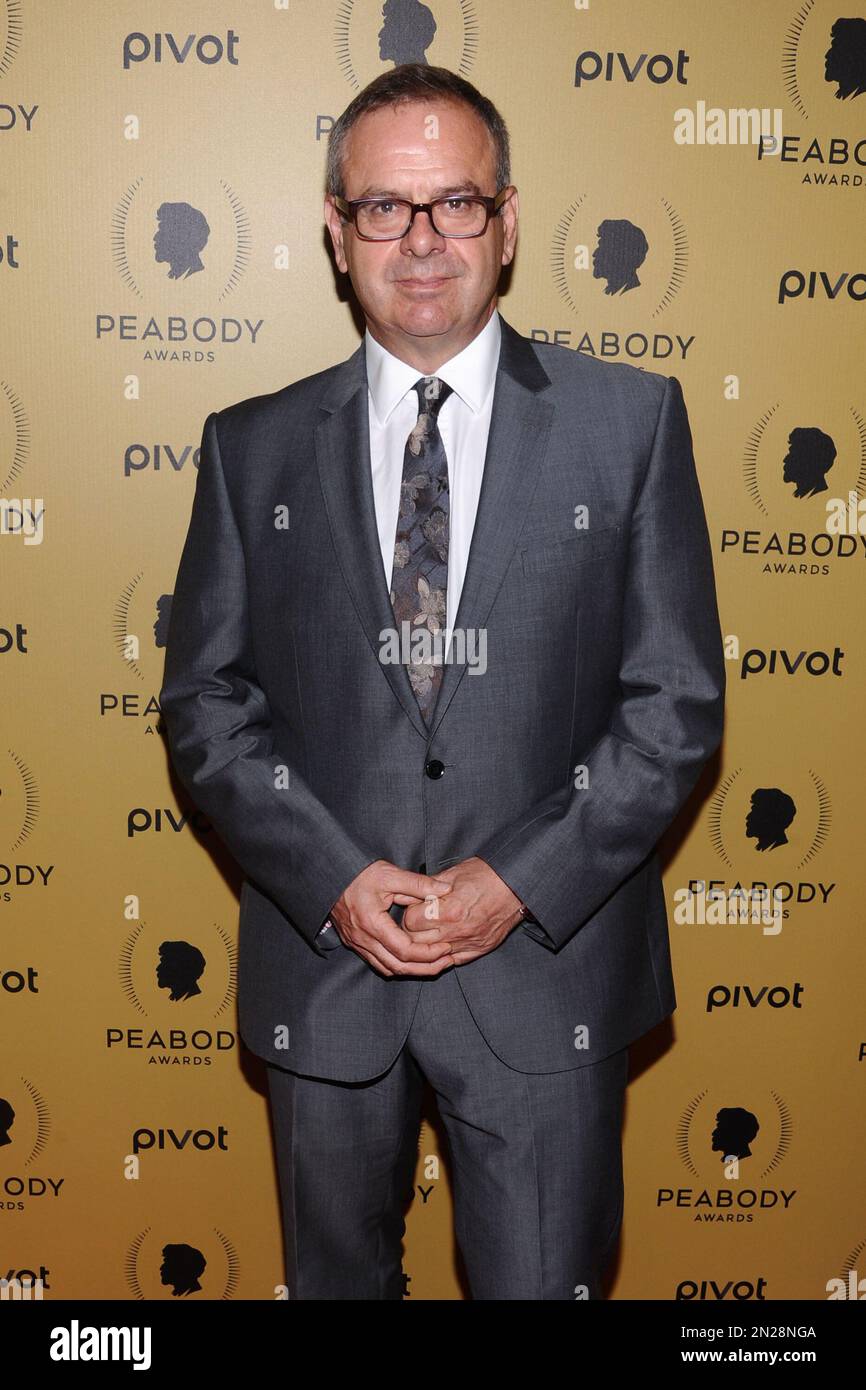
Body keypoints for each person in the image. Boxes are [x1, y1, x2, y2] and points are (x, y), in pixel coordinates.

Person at [159, 62, 726, 1300]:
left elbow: (673, 704)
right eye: (382, 208)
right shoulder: (247, 448)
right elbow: (204, 702)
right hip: (328, 973)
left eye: (454, 203)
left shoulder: (626, 424)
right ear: (334, 229)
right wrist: (333, 877)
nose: (419, 242)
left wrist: (516, 881)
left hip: (544, 978)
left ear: (507, 221)